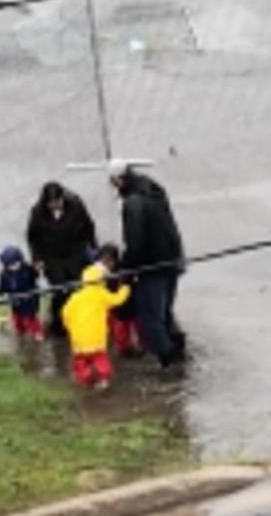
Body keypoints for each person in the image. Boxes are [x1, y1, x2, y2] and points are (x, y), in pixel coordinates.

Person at [108, 161, 188, 369]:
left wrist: (124, 268)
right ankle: (178, 349)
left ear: (118, 180)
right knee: (165, 311)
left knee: (150, 320)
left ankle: (169, 362)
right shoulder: (154, 190)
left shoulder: (132, 203)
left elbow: (135, 244)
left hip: (151, 268)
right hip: (173, 260)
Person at [26, 182, 98, 337]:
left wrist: (92, 248)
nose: (55, 206)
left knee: (77, 289)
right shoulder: (37, 212)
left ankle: (78, 321)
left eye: (57, 202)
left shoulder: (76, 205)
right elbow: (33, 238)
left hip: (74, 253)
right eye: (51, 203)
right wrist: (37, 258)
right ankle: (59, 325)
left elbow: (88, 226)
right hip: (52, 256)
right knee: (59, 292)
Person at [61, 263, 131, 391]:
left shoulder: (75, 297)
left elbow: (65, 314)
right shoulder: (101, 294)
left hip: (78, 340)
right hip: (96, 339)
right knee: (100, 360)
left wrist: (70, 328)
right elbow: (117, 300)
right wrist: (125, 288)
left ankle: (84, 381)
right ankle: (103, 380)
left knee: (80, 362)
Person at [95, 243, 141, 355]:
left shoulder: (123, 271)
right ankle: (123, 349)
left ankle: (140, 346)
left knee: (138, 328)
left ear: (115, 260)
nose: (106, 264)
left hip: (129, 306)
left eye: (109, 260)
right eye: (104, 261)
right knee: (119, 334)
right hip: (115, 309)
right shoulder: (97, 272)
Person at [0, 246, 44, 342]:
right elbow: (2, 287)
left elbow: (36, 275)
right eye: (10, 265)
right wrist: (2, 294)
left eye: (16, 264)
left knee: (31, 318)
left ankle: (37, 333)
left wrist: (38, 269)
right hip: (15, 301)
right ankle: (21, 330)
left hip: (30, 299)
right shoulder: (4, 274)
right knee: (18, 318)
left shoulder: (28, 268)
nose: (13, 267)